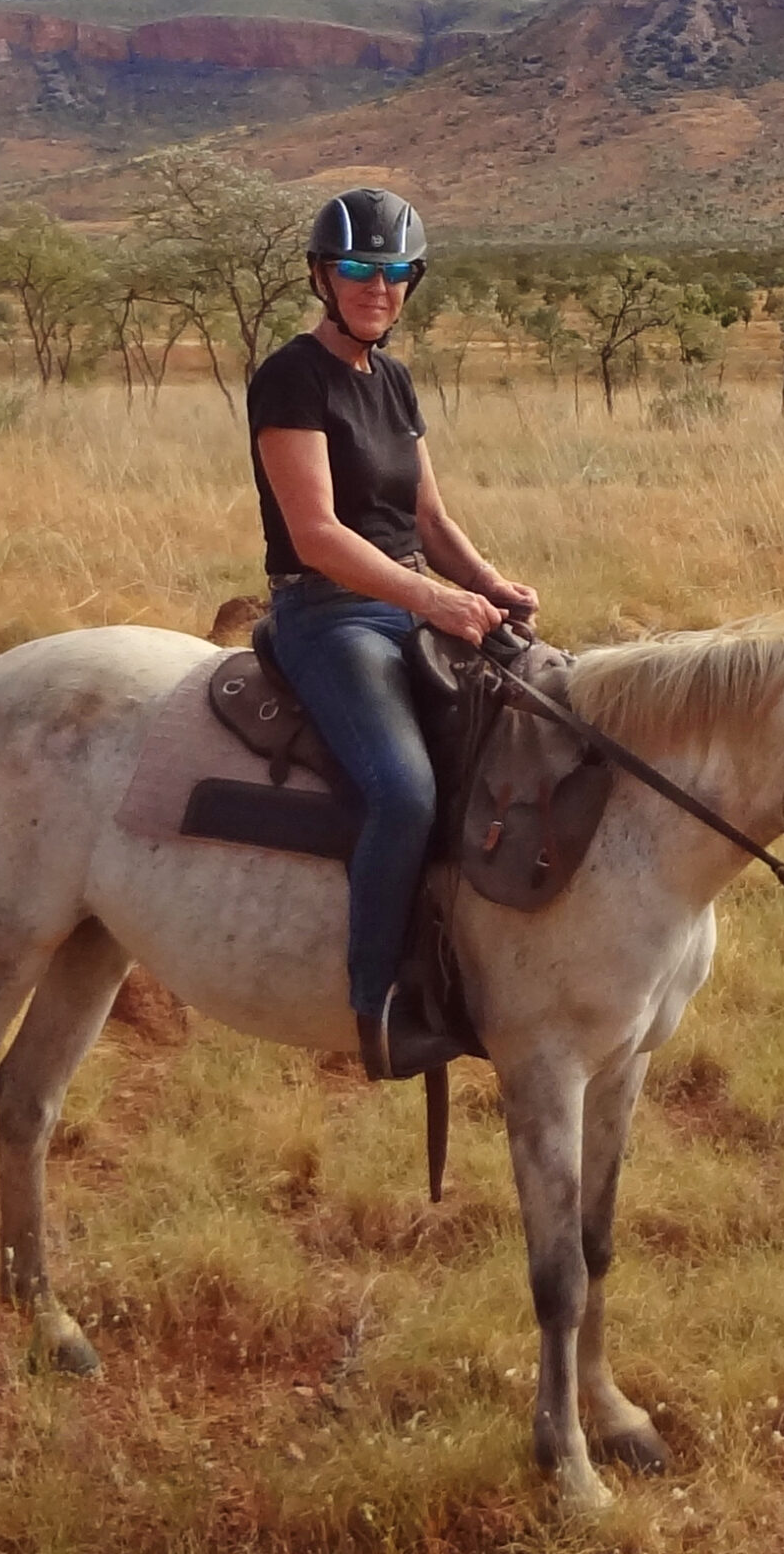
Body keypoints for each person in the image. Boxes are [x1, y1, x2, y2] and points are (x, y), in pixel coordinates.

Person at [247, 188, 538, 1081]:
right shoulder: (291, 376)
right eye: (360, 271)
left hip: (408, 602)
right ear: (321, 277)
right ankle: (377, 1002)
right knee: (404, 790)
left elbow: (429, 516)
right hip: (328, 612)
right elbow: (318, 535)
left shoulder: (396, 379)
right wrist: (434, 603)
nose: (380, 287)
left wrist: (488, 585)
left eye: (396, 272)